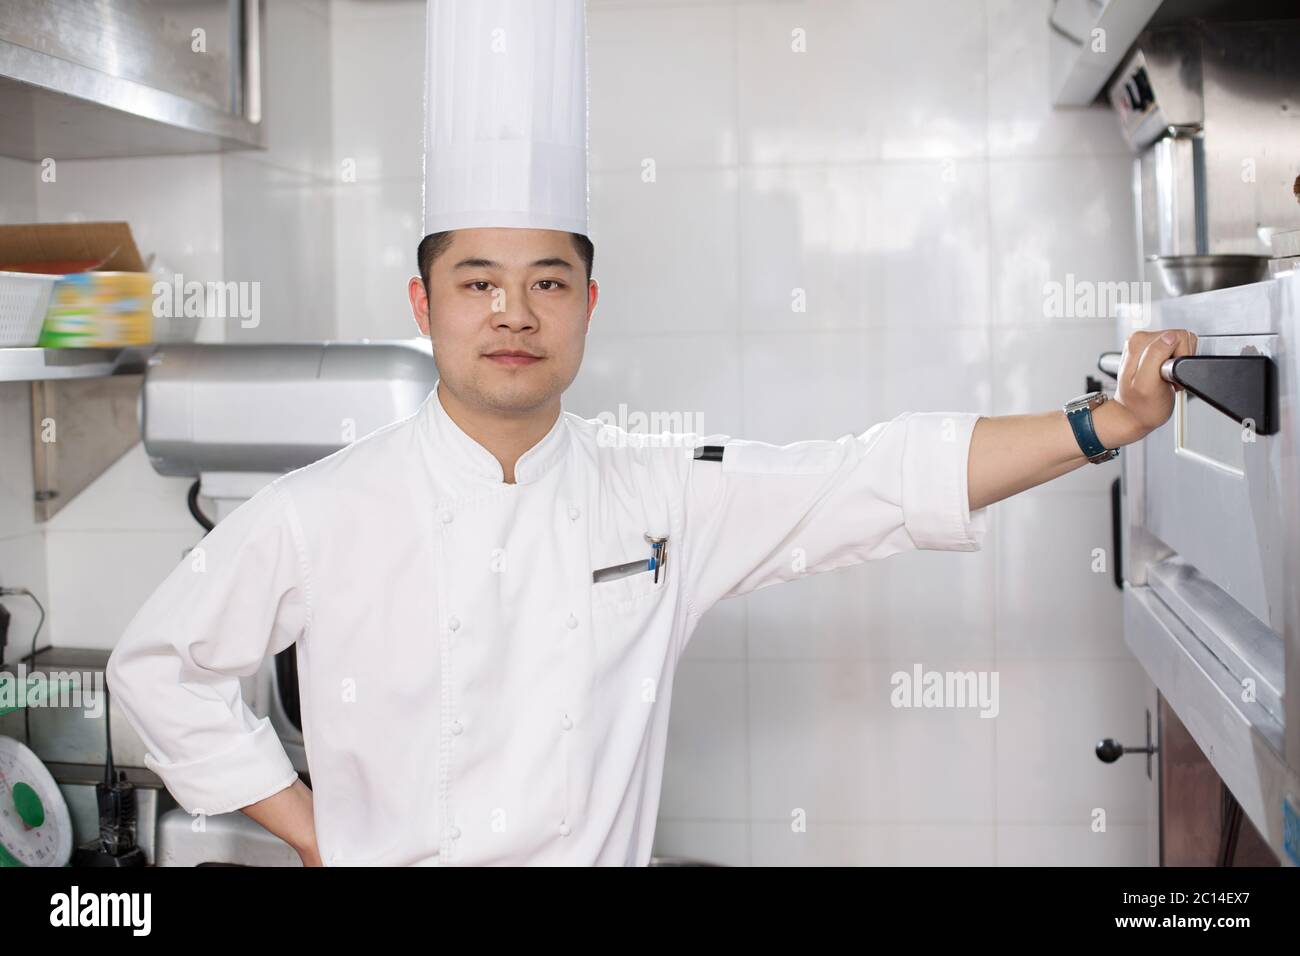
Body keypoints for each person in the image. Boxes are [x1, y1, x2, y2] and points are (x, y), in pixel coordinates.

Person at [104, 0, 1199, 866]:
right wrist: (310, 831)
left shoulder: (657, 497)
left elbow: (873, 479)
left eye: (547, 281)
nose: (512, 313)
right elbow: (158, 667)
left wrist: (1103, 421)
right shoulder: (324, 508)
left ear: (589, 303)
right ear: (421, 303)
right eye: (476, 282)